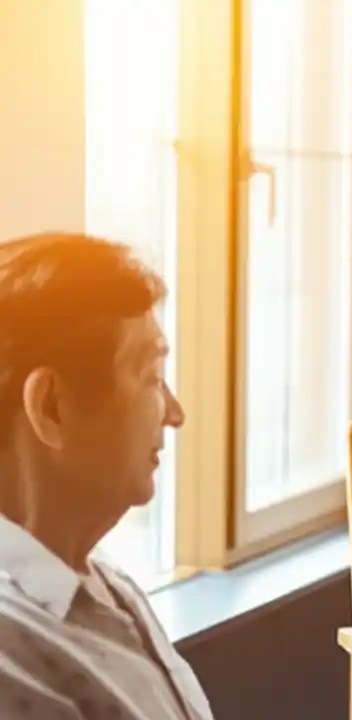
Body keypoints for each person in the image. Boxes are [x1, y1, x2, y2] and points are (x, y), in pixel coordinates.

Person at [0, 233, 213, 719]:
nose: (175, 413)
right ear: (51, 407)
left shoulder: (105, 584)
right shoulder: (11, 658)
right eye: (152, 378)